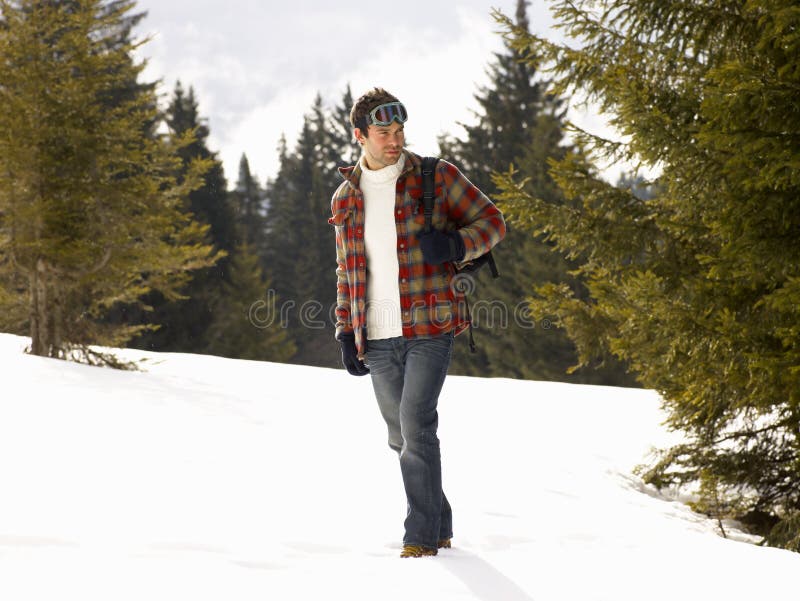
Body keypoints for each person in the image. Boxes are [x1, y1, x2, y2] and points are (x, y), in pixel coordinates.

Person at [329, 88, 506, 558]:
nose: (395, 140)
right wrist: (346, 328)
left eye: (399, 130)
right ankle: (441, 522)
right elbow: (348, 269)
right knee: (401, 437)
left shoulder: (435, 176)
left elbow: (492, 222)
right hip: (378, 335)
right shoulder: (346, 198)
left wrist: (454, 247)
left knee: (416, 423)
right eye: (384, 132)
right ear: (360, 135)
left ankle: (421, 538)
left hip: (432, 323)